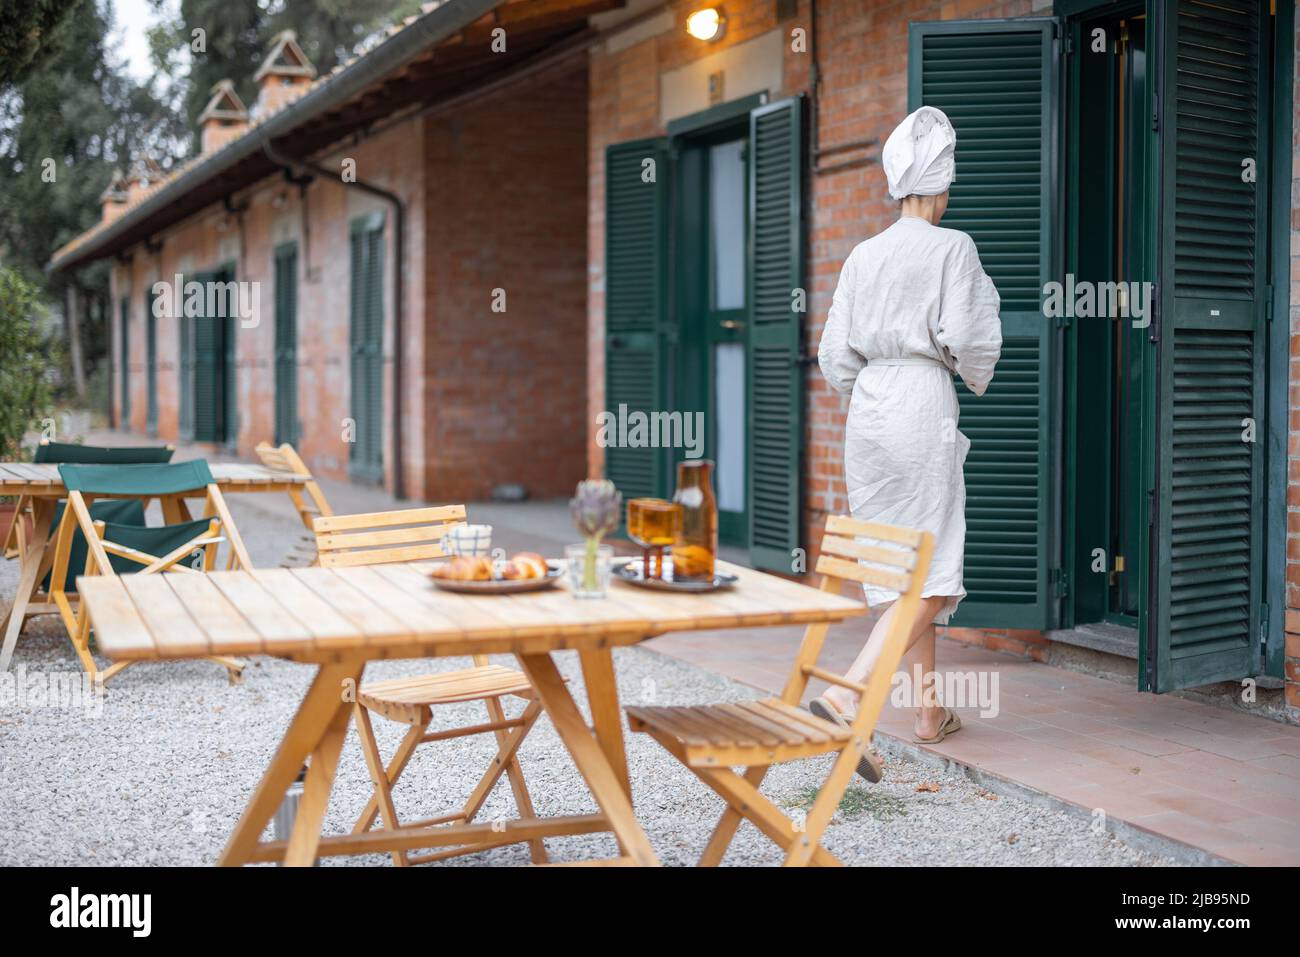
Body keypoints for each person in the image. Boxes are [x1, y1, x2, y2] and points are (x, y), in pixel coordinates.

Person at [813, 105, 1002, 782]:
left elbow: (833, 353)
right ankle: (845, 693)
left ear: (898, 184)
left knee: (900, 561)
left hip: (869, 408)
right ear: (942, 185)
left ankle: (926, 712)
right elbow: (974, 339)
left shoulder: (864, 255)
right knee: (930, 563)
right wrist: (955, 367)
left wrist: (871, 384)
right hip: (921, 400)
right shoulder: (952, 248)